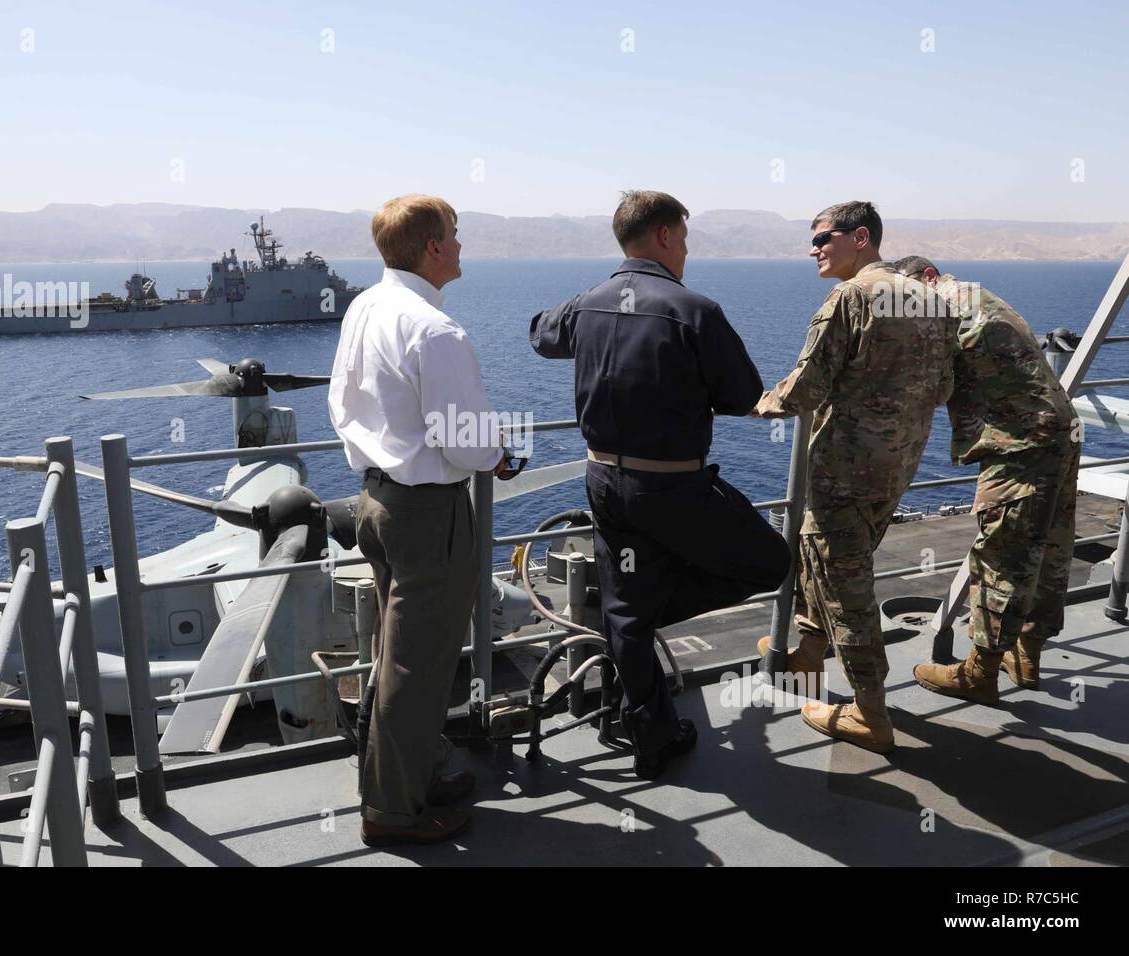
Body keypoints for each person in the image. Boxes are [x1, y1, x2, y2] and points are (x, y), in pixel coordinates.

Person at [530, 190, 790, 778]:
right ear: (667, 237)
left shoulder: (587, 304)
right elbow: (745, 396)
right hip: (673, 488)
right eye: (686, 239)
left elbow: (540, 334)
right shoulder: (694, 310)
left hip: (604, 482)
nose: (687, 252)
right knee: (770, 563)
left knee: (626, 612)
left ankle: (653, 736)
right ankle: (642, 619)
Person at [328, 194, 522, 847]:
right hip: (428, 512)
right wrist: (501, 456)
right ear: (434, 247)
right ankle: (392, 812)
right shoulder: (436, 330)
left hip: (375, 502)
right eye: (456, 235)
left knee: (398, 656)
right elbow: (463, 439)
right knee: (419, 669)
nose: (462, 246)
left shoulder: (364, 307)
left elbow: (342, 403)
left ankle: (420, 769)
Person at [753, 201, 957, 754]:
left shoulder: (852, 296)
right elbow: (942, 389)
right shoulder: (932, 299)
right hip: (896, 466)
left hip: (844, 470)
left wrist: (756, 403)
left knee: (846, 587)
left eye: (822, 238)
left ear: (860, 237)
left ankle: (871, 711)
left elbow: (807, 386)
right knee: (827, 561)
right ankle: (809, 660)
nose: (813, 249)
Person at [895, 256, 1080, 700]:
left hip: (1019, 445)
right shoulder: (979, 297)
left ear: (929, 279)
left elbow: (932, 386)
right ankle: (1027, 653)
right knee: (1050, 549)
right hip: (1059, 433)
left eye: (908, 297)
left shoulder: (945, 308)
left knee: (1002, 557)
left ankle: (981, 673)